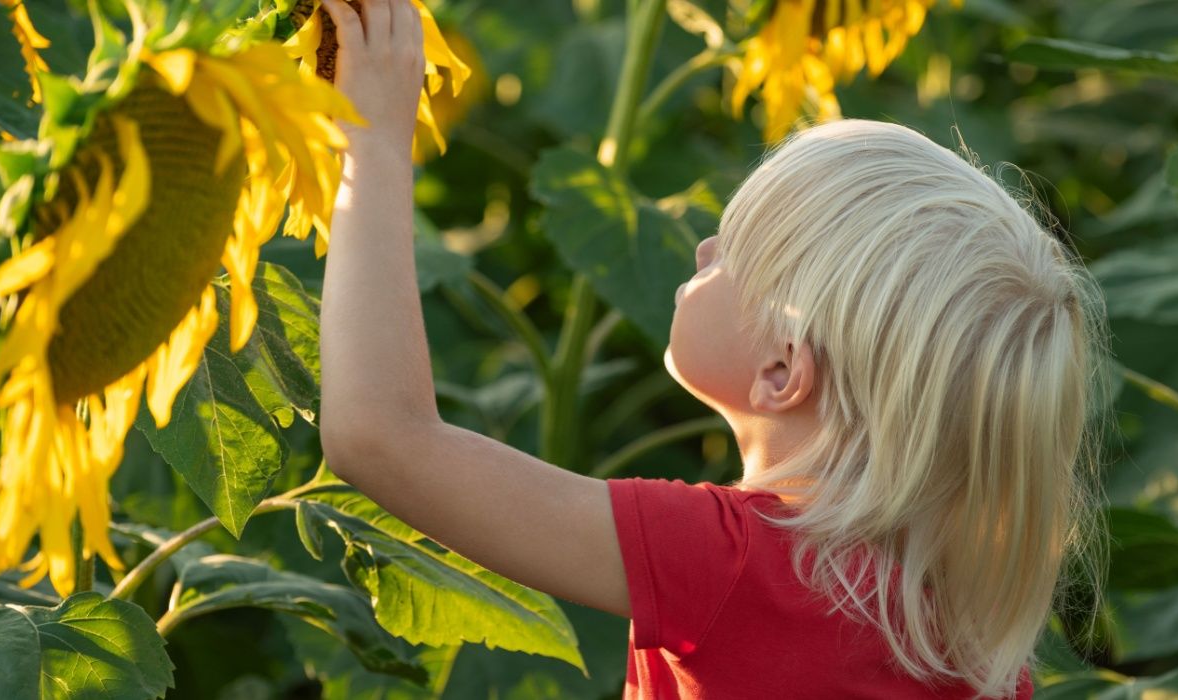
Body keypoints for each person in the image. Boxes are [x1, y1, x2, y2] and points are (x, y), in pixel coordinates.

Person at [315, 0, 1109, 696]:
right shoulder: (965, 640)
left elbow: (380, 436)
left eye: (732, 251)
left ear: (781, 370)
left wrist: (372, 141)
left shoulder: (735, 565)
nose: (698, 250)